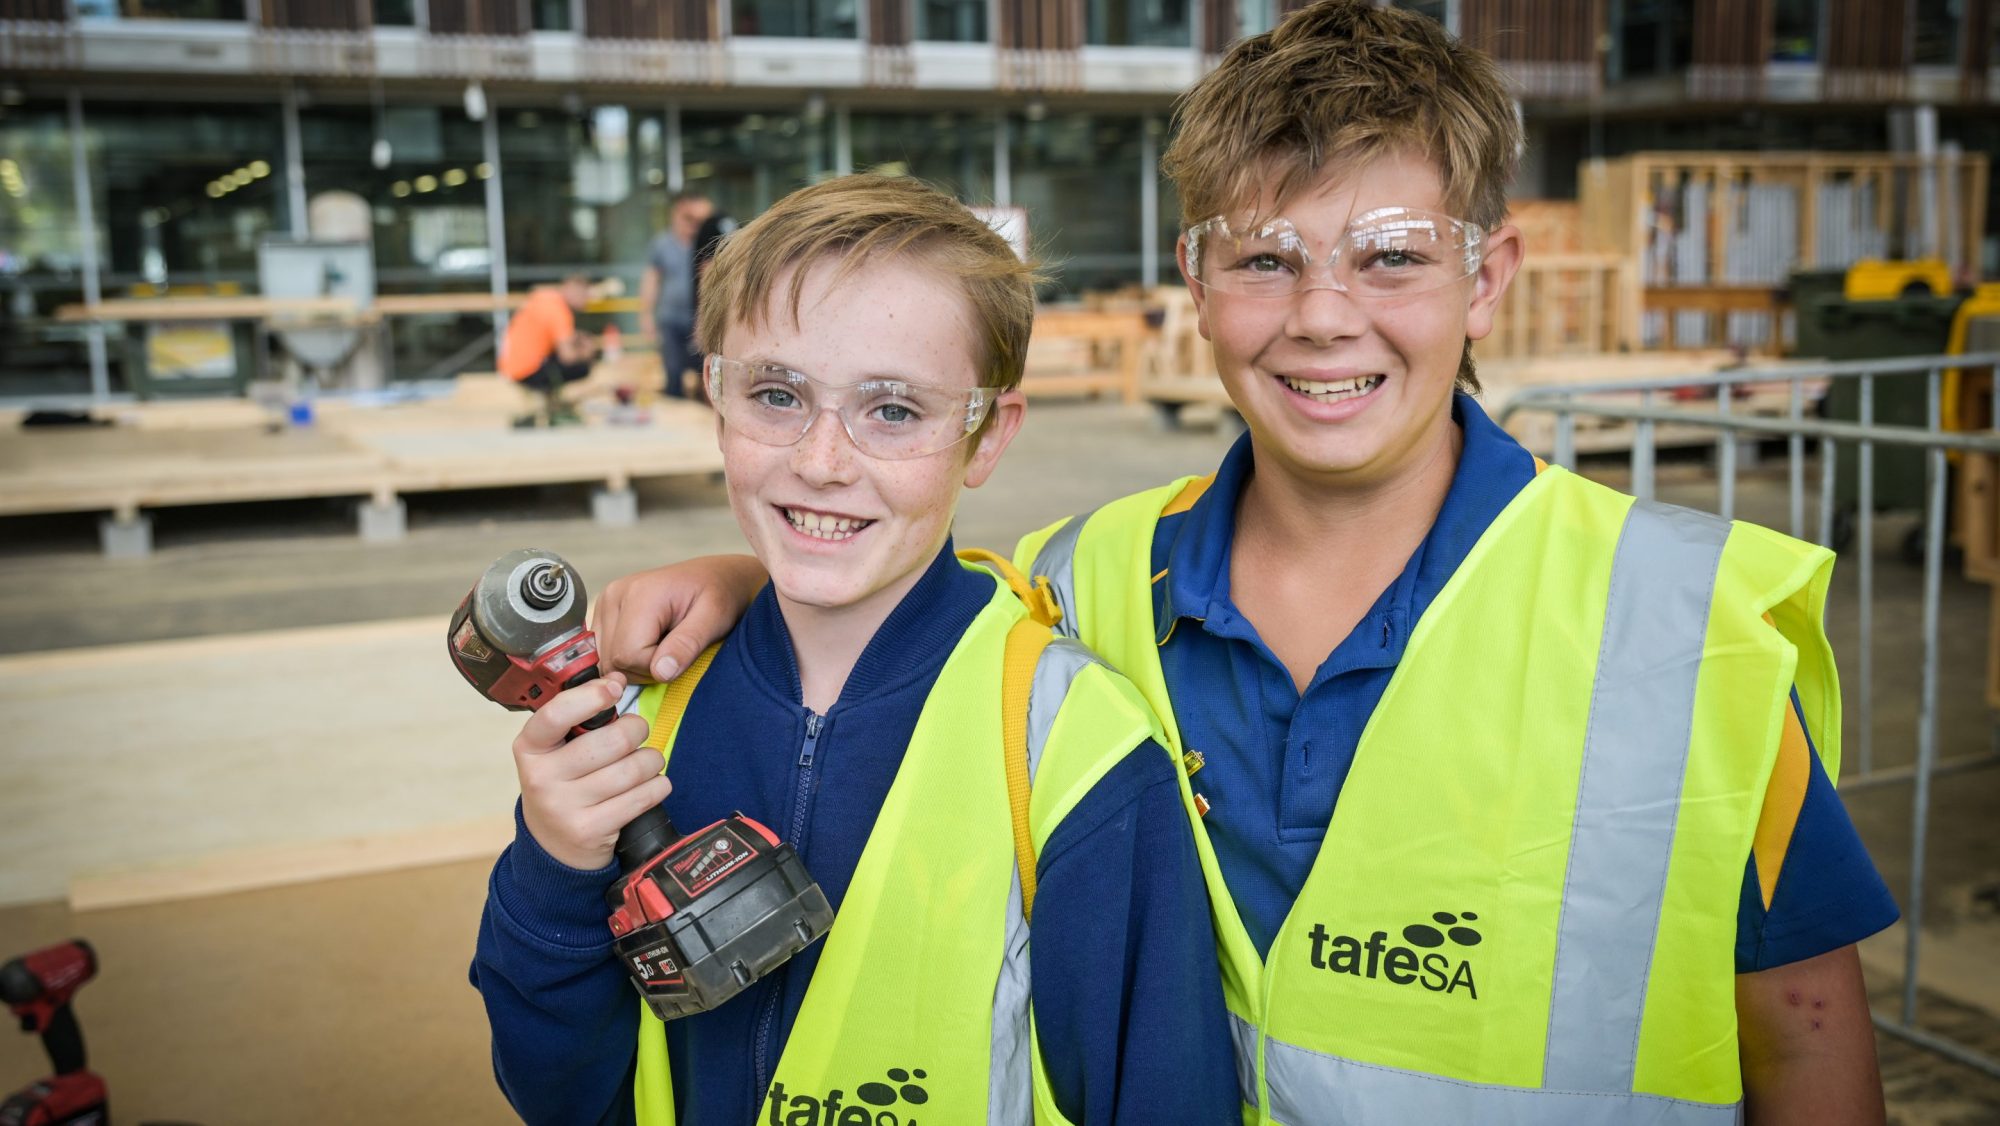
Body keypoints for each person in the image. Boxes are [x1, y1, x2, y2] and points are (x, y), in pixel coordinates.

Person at [588, 4, 1901, 1123]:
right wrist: (747, 578)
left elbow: (1806, 1037)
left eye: (1392, 254)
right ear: (1196, 283)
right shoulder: (1078, 579)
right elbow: (909, 587)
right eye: (1266, 257)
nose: (1326, 314)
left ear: (1486, 278)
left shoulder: (1680, 626)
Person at [468, 174, 1237, 1126]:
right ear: (716, 398)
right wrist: (552, 869)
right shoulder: (644, 721)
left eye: (894, 410)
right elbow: (558, 1091)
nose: (822, 460)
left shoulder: (1071, 750)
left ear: (987, 435)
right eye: (777, 394)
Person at [640, 191, 713, 399]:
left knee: (705, 375)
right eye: (688, 216)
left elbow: (710, 284)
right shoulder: (662, 244)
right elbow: (651, 281)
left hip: (699, 320)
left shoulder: (706, 243)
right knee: (673, 374)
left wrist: (705, 320)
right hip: (670, 320)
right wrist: (645, 316)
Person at [500, 273, 598, 426]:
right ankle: (553, 407)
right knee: (582, 368)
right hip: (529, 370)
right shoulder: (559, 311)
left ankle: (549, 403)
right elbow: (567, 356)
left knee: (555, 360)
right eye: (584, 296)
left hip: (511, 366)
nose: (586, 301)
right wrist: (587, 352)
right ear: (571, 290)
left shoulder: (544, 298)